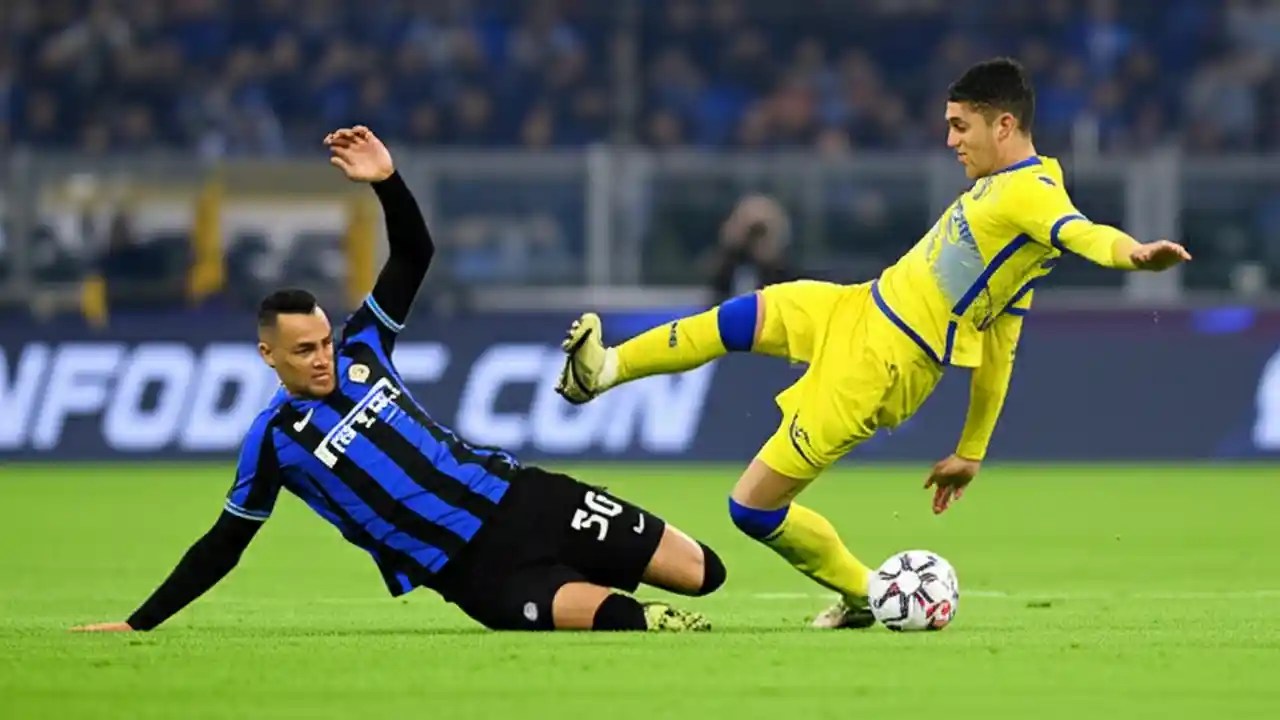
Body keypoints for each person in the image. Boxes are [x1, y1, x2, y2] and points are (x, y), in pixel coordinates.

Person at [554, 58, 1190, 629]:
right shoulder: (1012, 201)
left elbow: (1084, 234)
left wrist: (1132, 254)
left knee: (750, 508)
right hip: (861, 306)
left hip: (883, 362)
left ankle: (867, 594)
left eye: (960, 126)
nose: (950, 141)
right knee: (740, 317)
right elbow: (1001, 342)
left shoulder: (1033, 194)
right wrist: (970, 450)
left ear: (1003, 125)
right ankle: (602, 371)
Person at [72, 126, 723, 634]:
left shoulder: (364, 347)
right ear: (269, 356)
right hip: (475, 574)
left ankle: (602, 567)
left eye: (324, 341)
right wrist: (139, 622)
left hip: (527, 500)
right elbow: (225, 543)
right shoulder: (273, 442)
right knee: (626, 622)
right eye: (304, 350)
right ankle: (617, 606)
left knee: (706, 574)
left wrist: (387, 182)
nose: (323, 356)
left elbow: (415, 255)